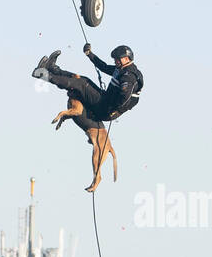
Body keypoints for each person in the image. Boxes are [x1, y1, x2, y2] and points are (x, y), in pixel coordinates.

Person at [32, 43, 143, 190]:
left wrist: (114, 108)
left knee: (82, 84)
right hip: (105, 102)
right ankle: (52, 68)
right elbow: (103, 67)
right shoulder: (120, 69)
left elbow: (125, 97)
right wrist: (89, 54)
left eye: (118, 59)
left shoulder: (129, 76)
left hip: (106, 109)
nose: (116, 61)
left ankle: (43, 74)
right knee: (82, 80)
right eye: (115, 59)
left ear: (127, 58)